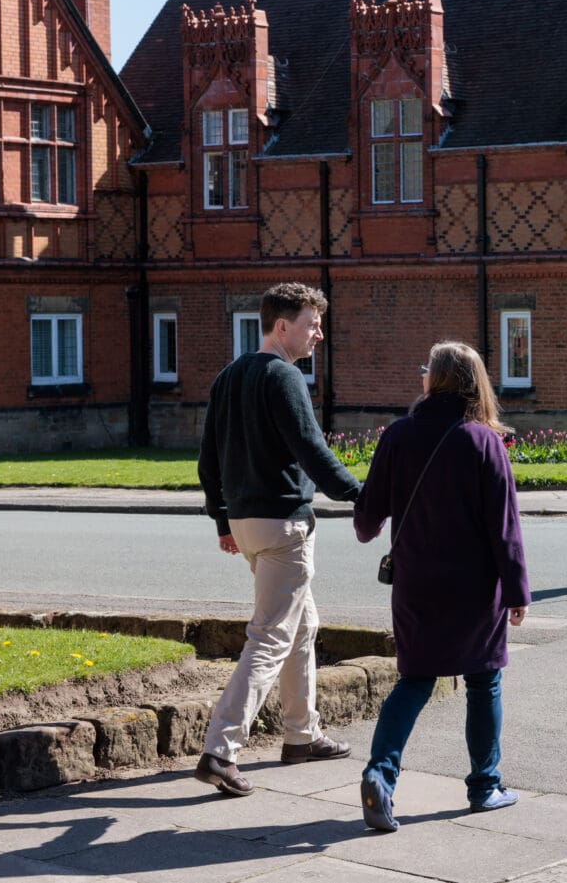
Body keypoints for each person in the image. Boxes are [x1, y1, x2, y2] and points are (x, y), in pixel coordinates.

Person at [353, 341, 531, 832]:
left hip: (415, 585)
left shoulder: (398, 436)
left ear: (434, 379)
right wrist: (517, 592)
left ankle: (380, 776)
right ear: (475, 382)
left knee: (413, 682)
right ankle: (484, 786)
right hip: (476, 589)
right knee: (484, 680)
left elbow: (367, 520)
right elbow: (505, 528)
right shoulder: (483, 440)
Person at [195, 282, 360, 798]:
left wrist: (222, 521)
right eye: (312, 324)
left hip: (246, 525)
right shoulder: (284, 376)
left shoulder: (228, 376)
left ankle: (301, 735)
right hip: (284, 524)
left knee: (301, 625)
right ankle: (220, 750)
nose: (319, 334)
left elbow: (207, 461)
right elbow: (310, 449)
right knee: (270, 635)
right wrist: (363, 494)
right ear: (281, 325)